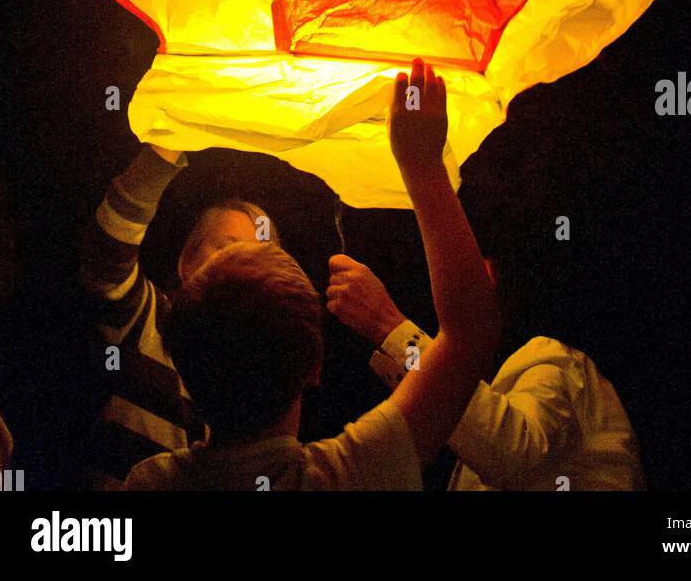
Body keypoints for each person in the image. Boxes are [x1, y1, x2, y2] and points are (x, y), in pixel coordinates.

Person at [123, 60, 500, 490]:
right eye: (232, 249)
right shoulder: (345, 475)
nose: (252, 250)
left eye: (264, 249)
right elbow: (470, 334)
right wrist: (422, 163)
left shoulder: (150, 482)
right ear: (315, 366)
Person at [326, 251, 645, 491]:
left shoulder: (552, 357)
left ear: (487, 279)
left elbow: (516, 455)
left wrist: (387, 325)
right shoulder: (494, 393)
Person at [79, 140, 278, 489]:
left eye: (255, 258)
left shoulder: (256, 383)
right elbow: (107, 253)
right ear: (188, 259)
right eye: (227, 248)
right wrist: (165, 144)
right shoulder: (151, 319)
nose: (238, 266)